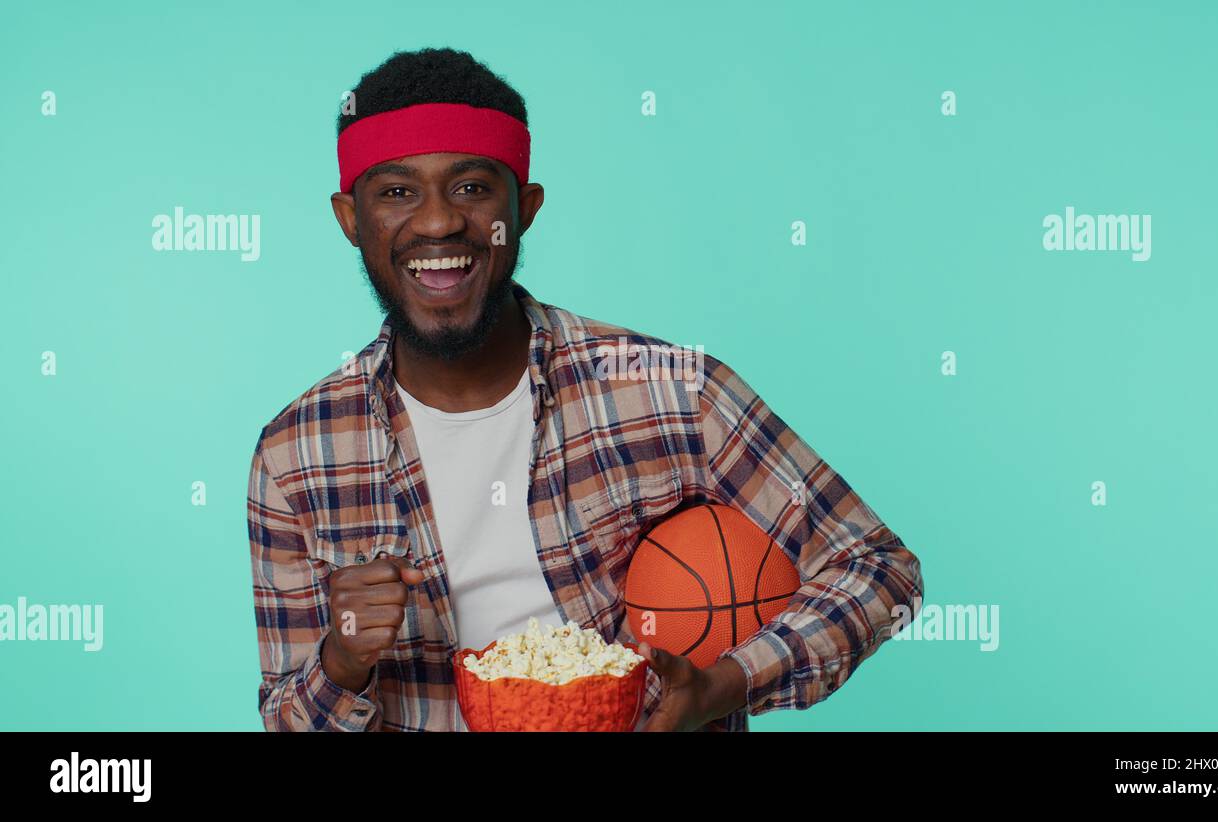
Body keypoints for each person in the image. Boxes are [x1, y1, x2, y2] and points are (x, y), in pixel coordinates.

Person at [246, 47, 924, 732]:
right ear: (350, 219)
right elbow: (287, 720)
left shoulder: (670, 391)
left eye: (473, 188)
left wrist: (725, 684)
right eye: (396, 192)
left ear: (526, 207)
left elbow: (877, 566)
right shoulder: (296, 454)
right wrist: (341, 660)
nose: (437, 222)